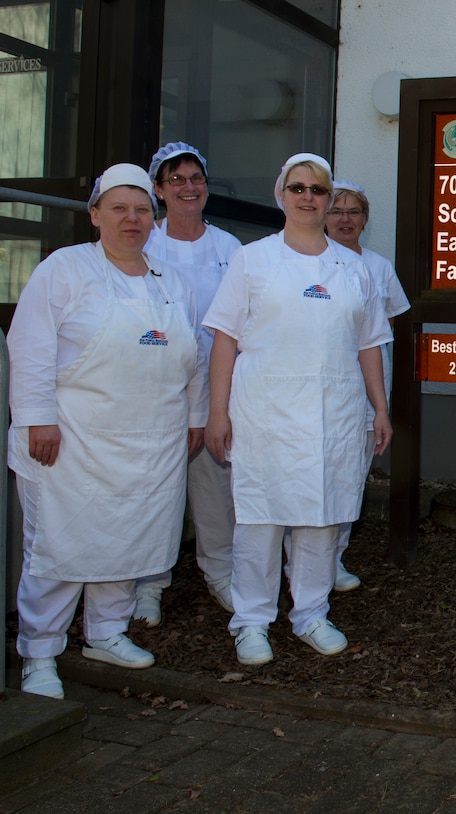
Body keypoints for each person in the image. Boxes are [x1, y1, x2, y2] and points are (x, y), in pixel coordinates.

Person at [9, 163, 207, 699]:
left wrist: (195, 417)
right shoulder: (64, 269)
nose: (132, 219)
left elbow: (194, 358)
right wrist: (37, 418)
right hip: (72, 442)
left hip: (153, 442)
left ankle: (106, 632)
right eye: (119, 208)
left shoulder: (173, 282)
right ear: (95, 214)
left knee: (131, 539)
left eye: (142, 209)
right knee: (58, 547)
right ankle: (40, 652)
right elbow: (30, 346)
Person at [204, 153, 392, 666]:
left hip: (336, 414)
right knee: (260, 519)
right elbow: (224, 340)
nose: (308, 197)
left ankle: (311, 613)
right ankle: (251, 621)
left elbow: (369, 345)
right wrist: (217, 412)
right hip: (264, 414)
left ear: (329, 200)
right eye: (298, 188)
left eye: (318, 189)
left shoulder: (353, 268)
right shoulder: (252, 260)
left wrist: (379, 408)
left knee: (323, 516)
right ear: (281, 195)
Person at [132, 142, 243, 627]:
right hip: (155, 388)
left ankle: (221, 571)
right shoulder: (143, 245)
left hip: (218, 387)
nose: (188, 188)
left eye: (196, 178)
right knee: (153, 489)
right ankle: (146, 583)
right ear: (158, 190)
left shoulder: (230, 249)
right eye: (175, 180)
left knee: (216, 485)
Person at [321, 180, 411, 591]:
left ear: (365, 219)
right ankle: (297, 560)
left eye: (353, 212)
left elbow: (383, 328)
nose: (345, 219)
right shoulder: (310, 263)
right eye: (337, 211)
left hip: (367, 386)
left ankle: (332, 558)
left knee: (352, 474)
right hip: (322, 383)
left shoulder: (378, 267)